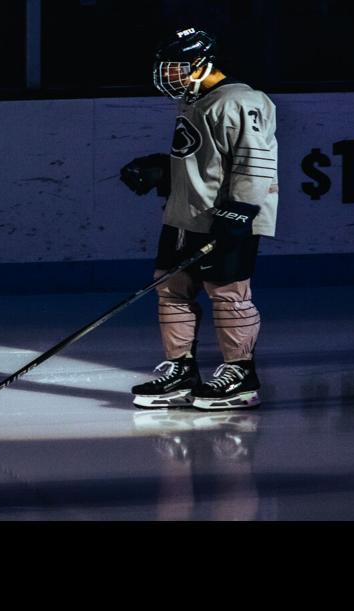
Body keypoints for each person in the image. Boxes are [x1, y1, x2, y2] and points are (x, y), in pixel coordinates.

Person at [121, 27, 278, 410]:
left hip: (226, 217)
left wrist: (239, 212)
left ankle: (240, 373)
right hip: (183, 215)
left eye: (175, 67)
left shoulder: (243, 100)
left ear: (201, 64)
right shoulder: (194, 100)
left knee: (228, 295)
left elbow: (255, 163)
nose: (167, 75)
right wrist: (163, 170)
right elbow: (202, 158)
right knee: (171, 288)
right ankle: (181, 369)